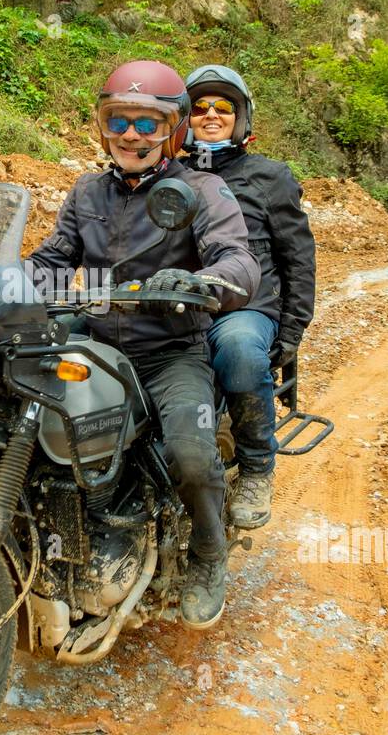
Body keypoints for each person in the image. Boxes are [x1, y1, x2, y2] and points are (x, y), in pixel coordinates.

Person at [29, 60, 260, 629]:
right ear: (104, 126)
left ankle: (209, 554)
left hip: (170, 349)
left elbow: (238, 258)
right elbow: (54, 262)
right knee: (22, 411)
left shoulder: (202, 189)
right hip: (97, 342)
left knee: (188, 449)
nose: (132, 134)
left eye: (147, 123)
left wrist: (206, 282)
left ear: (172, 130)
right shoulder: (87, 192)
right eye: (120, 120)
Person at [183, 64, 316, 529]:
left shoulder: (270, 177)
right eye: (200, 107)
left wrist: (294, 329)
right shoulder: (167, 173)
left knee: (238, 349)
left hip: (246, 306)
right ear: (184, 117)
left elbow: (298, 257)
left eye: (224, 107)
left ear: (242, 118)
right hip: (180, 303)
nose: (212, 114)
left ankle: (258, 467)